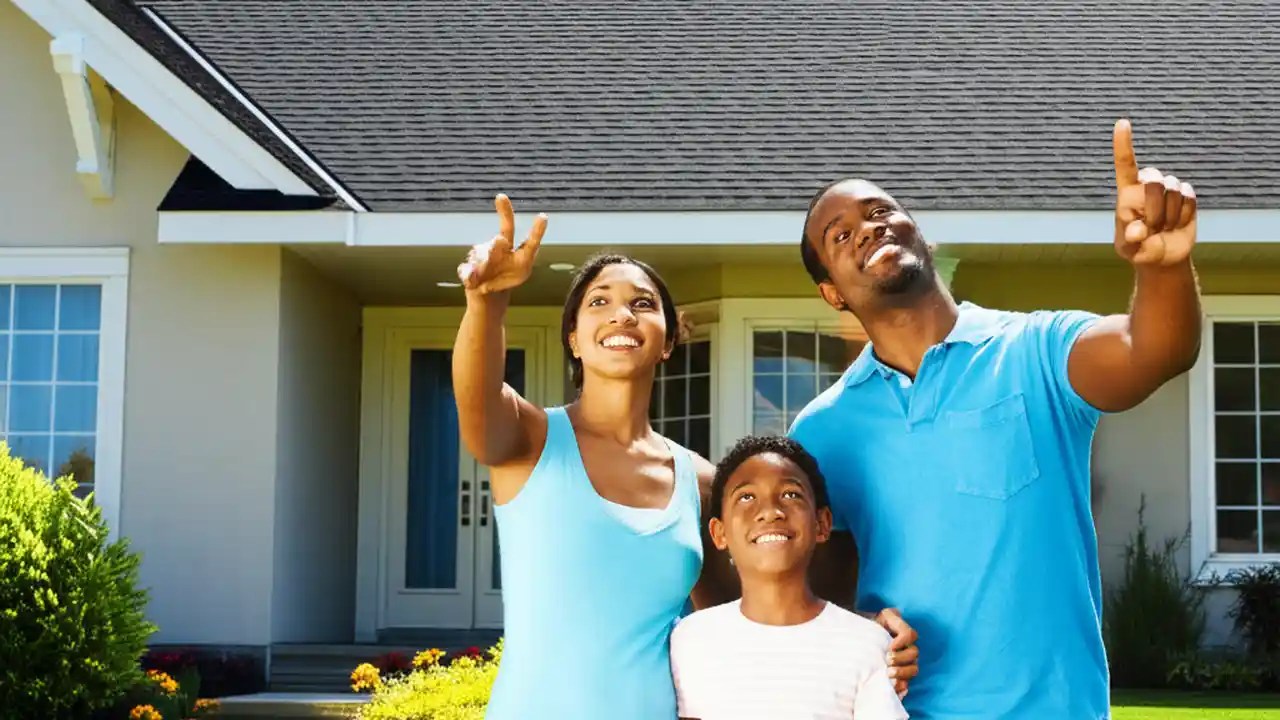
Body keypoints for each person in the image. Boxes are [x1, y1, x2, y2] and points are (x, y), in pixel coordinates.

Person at [789, 119, 1202, 719]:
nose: (866, 229)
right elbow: (817, 600)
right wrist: (863, 627)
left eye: (880, 210)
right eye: (839, 234)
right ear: (833, 293)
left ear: (917, 232)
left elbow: (1153, 351)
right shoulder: (821, 432)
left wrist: (1162, 269)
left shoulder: (1037, 350)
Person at [452, 196, 919, 719]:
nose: (622, 314)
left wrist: (866, 640)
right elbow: (476, 400)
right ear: (574, 340)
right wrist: (486, 304)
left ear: (669, 340)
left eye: (643, 303)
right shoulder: (529, 439)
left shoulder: (699, 482)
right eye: (599, 302)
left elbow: (752, 614)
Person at [671, 435, 908, 720]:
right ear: (719, 533)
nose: (770, 511)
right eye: (746, 497)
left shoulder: (868, 644)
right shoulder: (692, 640)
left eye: (790, 494)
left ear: (822, 524)